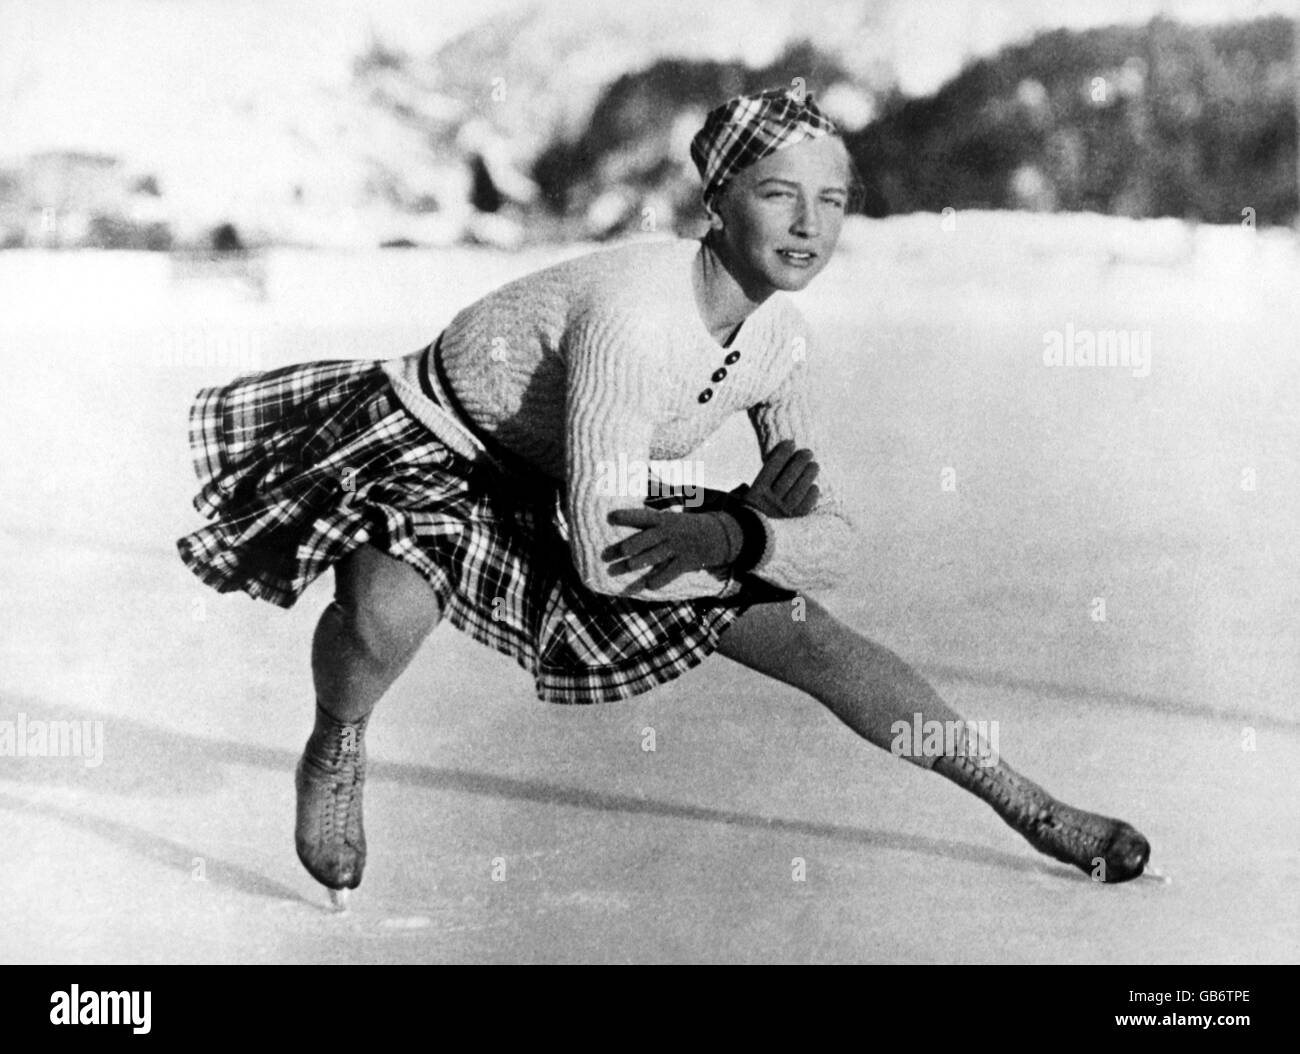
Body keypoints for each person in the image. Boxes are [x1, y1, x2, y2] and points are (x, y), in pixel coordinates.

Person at [177, 88, 1150, 906]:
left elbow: (836, 541)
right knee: (388, 609)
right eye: (779, 195)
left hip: (586, 468)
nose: (810, 224)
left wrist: (737, 530)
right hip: (439, 442)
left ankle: (1026, 802)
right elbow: (605, 558)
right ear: (719, 205)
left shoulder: (779, 345)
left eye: (832, 199)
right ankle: (337, 738)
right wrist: (742, 532)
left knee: (813, 635)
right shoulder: (638, 317)